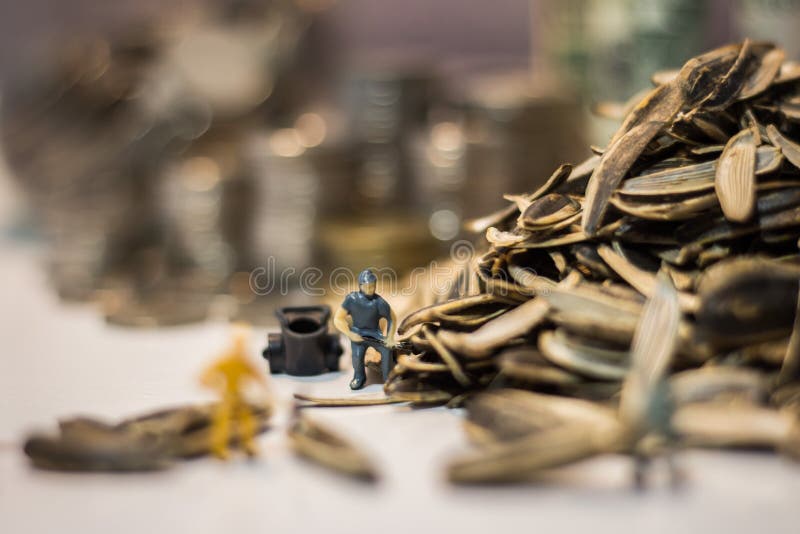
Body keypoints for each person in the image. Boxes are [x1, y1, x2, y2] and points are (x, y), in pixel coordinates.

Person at [199, 328, 269, 459]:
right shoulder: (226, 361)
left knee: (246, 420)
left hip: (240, 395)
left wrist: (266, 391)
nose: (241, 347)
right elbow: (205, 376)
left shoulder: (244, 362)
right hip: (227, 396)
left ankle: (248, 444)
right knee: (223, 421)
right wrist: (214, 386)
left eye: (243, 344)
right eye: (239, 344)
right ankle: (219, 448)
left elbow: (258, 376)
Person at [333, 269, 397, 390]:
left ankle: (388, 376)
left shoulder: (379, 302)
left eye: (373, 286)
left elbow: (392, 318)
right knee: (357, 356)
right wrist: (349, 334)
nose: (370, 289)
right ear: (360, 285)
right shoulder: (352, 300)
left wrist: (389, 337)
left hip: (375, 333)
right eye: (367, 286)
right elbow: (338, 319)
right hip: (357, 333)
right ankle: (359, 377)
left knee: (386, 349)